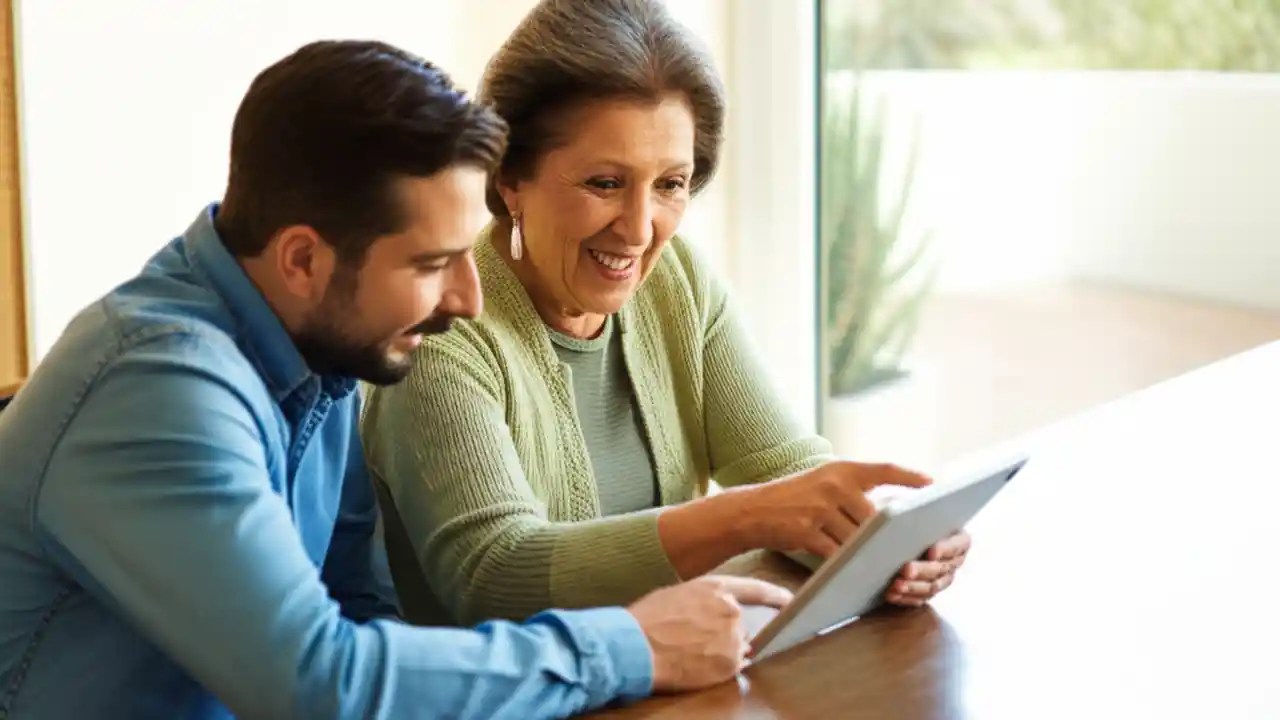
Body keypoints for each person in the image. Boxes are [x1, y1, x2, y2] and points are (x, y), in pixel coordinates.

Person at [0, 40, 793, 719]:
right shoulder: (160, 388)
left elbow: (362, 610)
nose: (468, 298)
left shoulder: (320, 348)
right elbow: (322, 682)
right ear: (303, 259)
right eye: (431, 264)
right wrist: (629, 646)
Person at [359, 0, 971, 629]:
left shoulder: (676, 281)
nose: (640, 228)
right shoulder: (439, 334)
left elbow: (787, 472)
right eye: (604, 182)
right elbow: (493, 577)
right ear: (510, 178)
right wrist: (744, 515)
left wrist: (889, 539)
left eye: (671, 184)